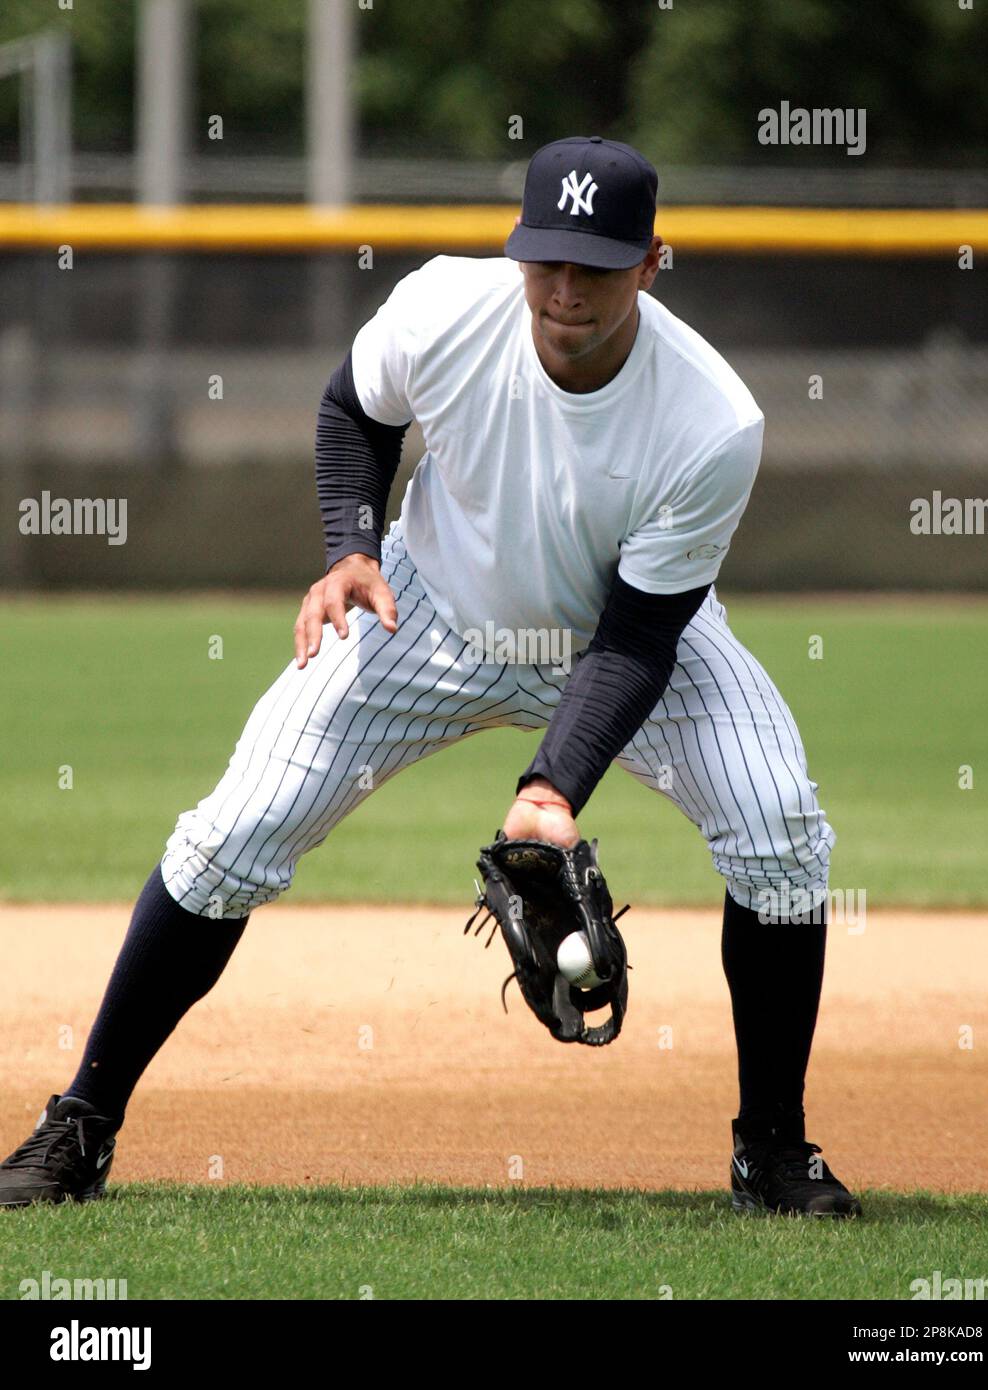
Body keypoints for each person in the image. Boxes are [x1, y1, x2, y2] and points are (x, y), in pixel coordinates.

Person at [0, 137, 859, 1217]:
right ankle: (80, 1122)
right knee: (232, 832)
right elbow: (355, 407)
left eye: (594, 264)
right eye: (545, 257)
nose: (562, 287)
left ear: (651, 263)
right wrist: (349, 544)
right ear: (518, 251)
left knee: (780, 829)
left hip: (624, 642)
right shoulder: (448, 307)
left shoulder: (711, 420)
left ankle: (771, 1151)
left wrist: (550, 790)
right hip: (426, 607)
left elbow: (639, 637)